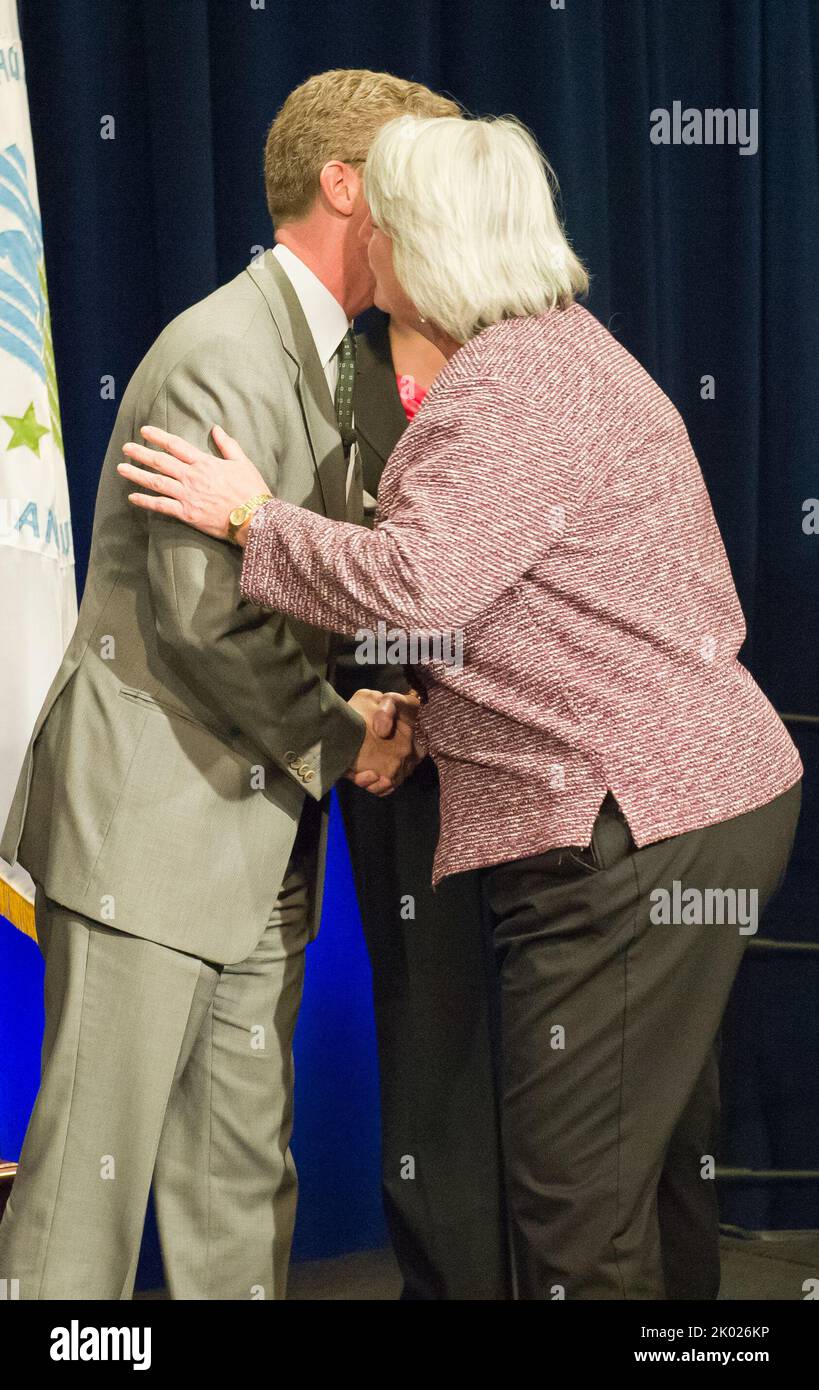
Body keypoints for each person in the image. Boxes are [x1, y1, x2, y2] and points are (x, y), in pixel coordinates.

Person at [119, 113, 804, 1299]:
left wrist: (250, 518)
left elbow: (419, 584)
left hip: (629, 823)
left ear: (423, 242)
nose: (367, 245)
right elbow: (543, 611)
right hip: (686, 799)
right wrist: (412, 721)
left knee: (574, 1205)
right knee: (646, 1174)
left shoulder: (507, 384)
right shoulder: (563, 349)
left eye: (382, 225)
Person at [0, 69, 453, 1301]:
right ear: (345, 185)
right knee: (83, 1204)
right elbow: (207, 624)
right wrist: (346, 736)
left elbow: (334, 580)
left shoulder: (348, 363)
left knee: (239, 1187)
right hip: (147, 836)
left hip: (258, 845)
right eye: (418, 171)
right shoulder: (220, 351)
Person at [336, 309, 510, 1299]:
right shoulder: (337, 368)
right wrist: (380, 707)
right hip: (397, 760)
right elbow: (321, 566)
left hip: (530, 758)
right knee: (431, 1028)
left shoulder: (529, 359)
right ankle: (452, 1279)